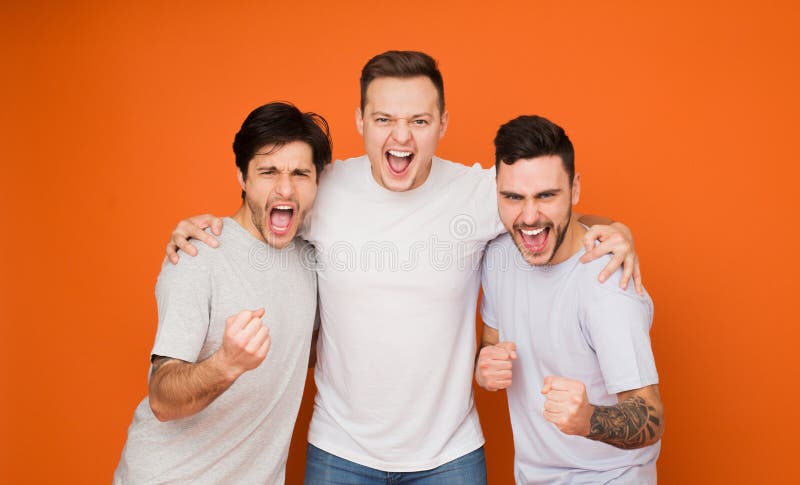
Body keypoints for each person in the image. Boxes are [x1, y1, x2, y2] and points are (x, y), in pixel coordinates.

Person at [166, 51, 642, 484]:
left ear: (442, 123)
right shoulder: (321, 188)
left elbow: (544, 213)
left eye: (418, 120)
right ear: (360, 121)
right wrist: (206, 230)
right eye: (383, 119)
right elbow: (266, 210)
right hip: (339, 450)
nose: (401, 136)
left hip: (450, 454)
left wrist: (616, 229)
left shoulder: (477, 192)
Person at [114, 102, 332, 484]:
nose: (285, 188)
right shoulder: (200, 255)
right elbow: (163, 398)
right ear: (242, 177)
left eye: (300, 173)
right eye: (268, 172)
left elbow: (304, 351)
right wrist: (227, 363)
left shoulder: (311, 258)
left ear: (317, 182)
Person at [476, 114, 664, 484]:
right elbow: (493, 338)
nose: (529, 217)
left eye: (546, 195)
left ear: (574, 190)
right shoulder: (498, 256)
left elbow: (651, 416)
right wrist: (486, 363)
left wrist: (589, 418)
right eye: (513, 197)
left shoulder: (607, 285)